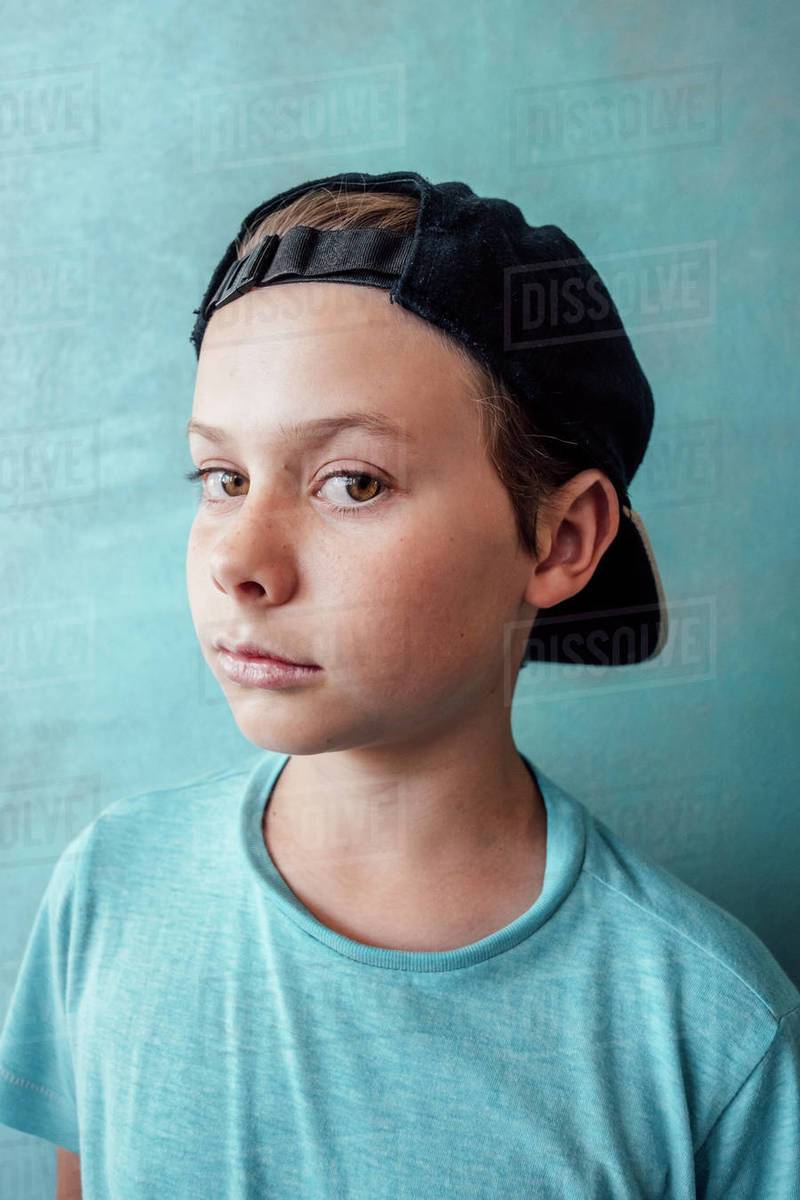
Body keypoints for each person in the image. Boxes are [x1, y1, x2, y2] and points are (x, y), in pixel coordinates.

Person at [0, 170, 797, 1199]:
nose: (239, 561)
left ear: (561, 538)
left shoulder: (710, 1036)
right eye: (222, 479)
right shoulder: (112, 890)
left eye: (353, 482)